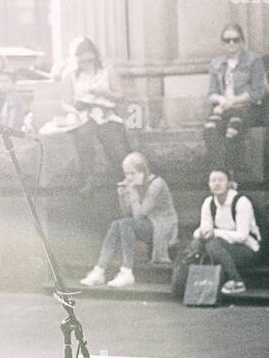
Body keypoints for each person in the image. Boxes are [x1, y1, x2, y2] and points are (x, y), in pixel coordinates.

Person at [80, 152, 179, 288]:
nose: (129, 178)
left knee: (126, 224)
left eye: (133, 173)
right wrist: (122, 196)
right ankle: (99, 270)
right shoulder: (135, 184)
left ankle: (126, 271)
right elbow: (128, 214)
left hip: (161, 226)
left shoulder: (157, 184)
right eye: (127, 174)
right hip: (146, 223)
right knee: (117, 224)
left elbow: (139, 215)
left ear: (143, 171)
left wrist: (132, 192)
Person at [59, 37, 129, 189]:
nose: (86, 64)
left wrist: (105, 93)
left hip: (106, 112)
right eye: (82, 61)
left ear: (95, 57)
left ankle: (124, 180)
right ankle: (87, 180)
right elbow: (66, 102)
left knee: (114, 143)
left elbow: (121, 96)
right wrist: (75, 112)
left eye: (90, 60)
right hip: (84, 114)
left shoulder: (107, 71)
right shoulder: (71, 74)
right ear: (76, 61)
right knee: (84, 139)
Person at [203, 23, 266, 180]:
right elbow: (211, 92)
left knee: (232, 131)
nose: (231, 43)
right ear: (222, 43)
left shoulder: (253, 60)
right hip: (223, 108)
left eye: (235, 40)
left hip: (245, 108)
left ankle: (229, 176)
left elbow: (259, 91)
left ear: (242, 41)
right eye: (227, 40)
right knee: (210, 129)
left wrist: (236, 100)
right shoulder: (216, 64)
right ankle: (219, 173)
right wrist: (221, 100)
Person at [193, 168, 262, 295]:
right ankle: (196, 281)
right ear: (209, 184)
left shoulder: (241, 202)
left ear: (229, 183)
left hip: (248, 250)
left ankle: (237, 281)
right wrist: (202, 234)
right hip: (224, 248)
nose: (217, 184)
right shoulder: (209, 203)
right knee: (197, 243)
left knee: (212, 244)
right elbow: (204, 228)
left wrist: (215, 233)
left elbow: (242, 236)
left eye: (221, 180)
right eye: (213, 180)